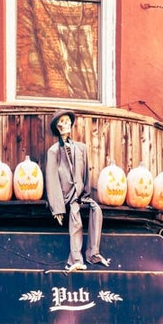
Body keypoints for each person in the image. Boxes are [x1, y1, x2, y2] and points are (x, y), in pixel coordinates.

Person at [44, 109, 109, 272]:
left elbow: (85, 172)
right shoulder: (53, 151)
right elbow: (52, 179)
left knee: (97, 210)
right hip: (67, 196)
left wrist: (86, 194)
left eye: (67, 121)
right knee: (75, 217)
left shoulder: (81, 148)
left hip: (80, 194)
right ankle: (76, 259)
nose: (65, 124)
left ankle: (93, 253)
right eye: (61, 122)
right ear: (57, 127)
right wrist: (57, 208)